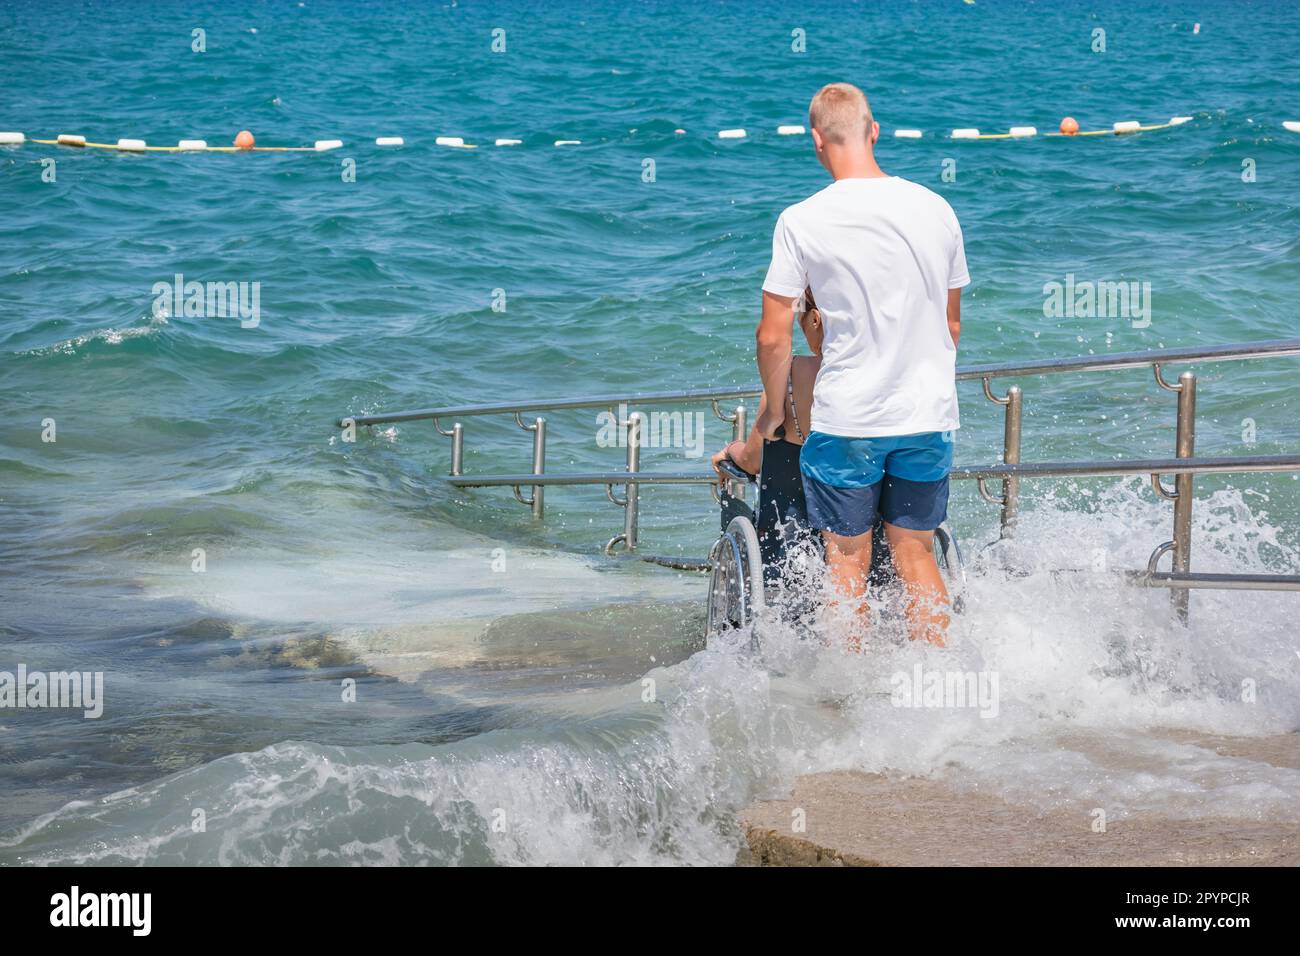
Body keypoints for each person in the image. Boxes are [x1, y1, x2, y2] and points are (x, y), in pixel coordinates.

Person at [754, 82, 969, 646]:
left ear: (817, 141)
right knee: (917, 556)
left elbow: (774, 336)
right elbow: (950, 325)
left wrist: (772, 416)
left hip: (848, 419)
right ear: (874, 131)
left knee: (846, 564)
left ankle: (847, 701)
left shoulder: (800, 220)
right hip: (927, 415)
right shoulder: (937, 208)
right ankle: (941, 684)